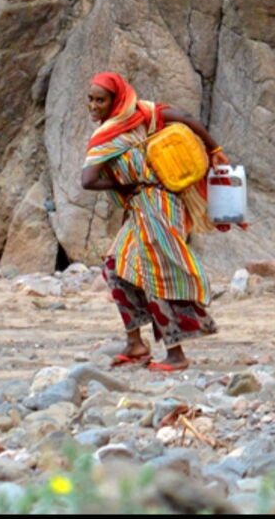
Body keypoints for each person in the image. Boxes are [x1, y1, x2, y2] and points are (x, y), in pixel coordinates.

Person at [81, 72, 233, 372]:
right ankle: (135, 344)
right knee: (115, 266)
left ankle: (176, 354)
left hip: (158, 205)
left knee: (157, 273)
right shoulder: (145, 116)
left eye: (101, 99)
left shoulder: (128, 124)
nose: (94, 105)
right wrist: (213, 147)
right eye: (91, 99)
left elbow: (88, 181)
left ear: (116, 99)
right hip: (143, 206)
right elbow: (186, 117)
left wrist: (216, 152)